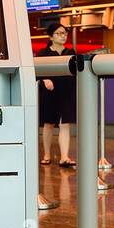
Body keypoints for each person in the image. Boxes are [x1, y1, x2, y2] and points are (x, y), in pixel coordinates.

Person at [38, 23, 76, 166]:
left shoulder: (71, 53)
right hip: (49, 92)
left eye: (64, 33)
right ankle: (47, 155)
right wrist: (45, 78)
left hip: (67, 91)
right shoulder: (43, 53)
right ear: (51, 36)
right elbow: (37, 71)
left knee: (65, 124)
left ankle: (64, 157)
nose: (63, 36)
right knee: (49, 124)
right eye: (59, 33)